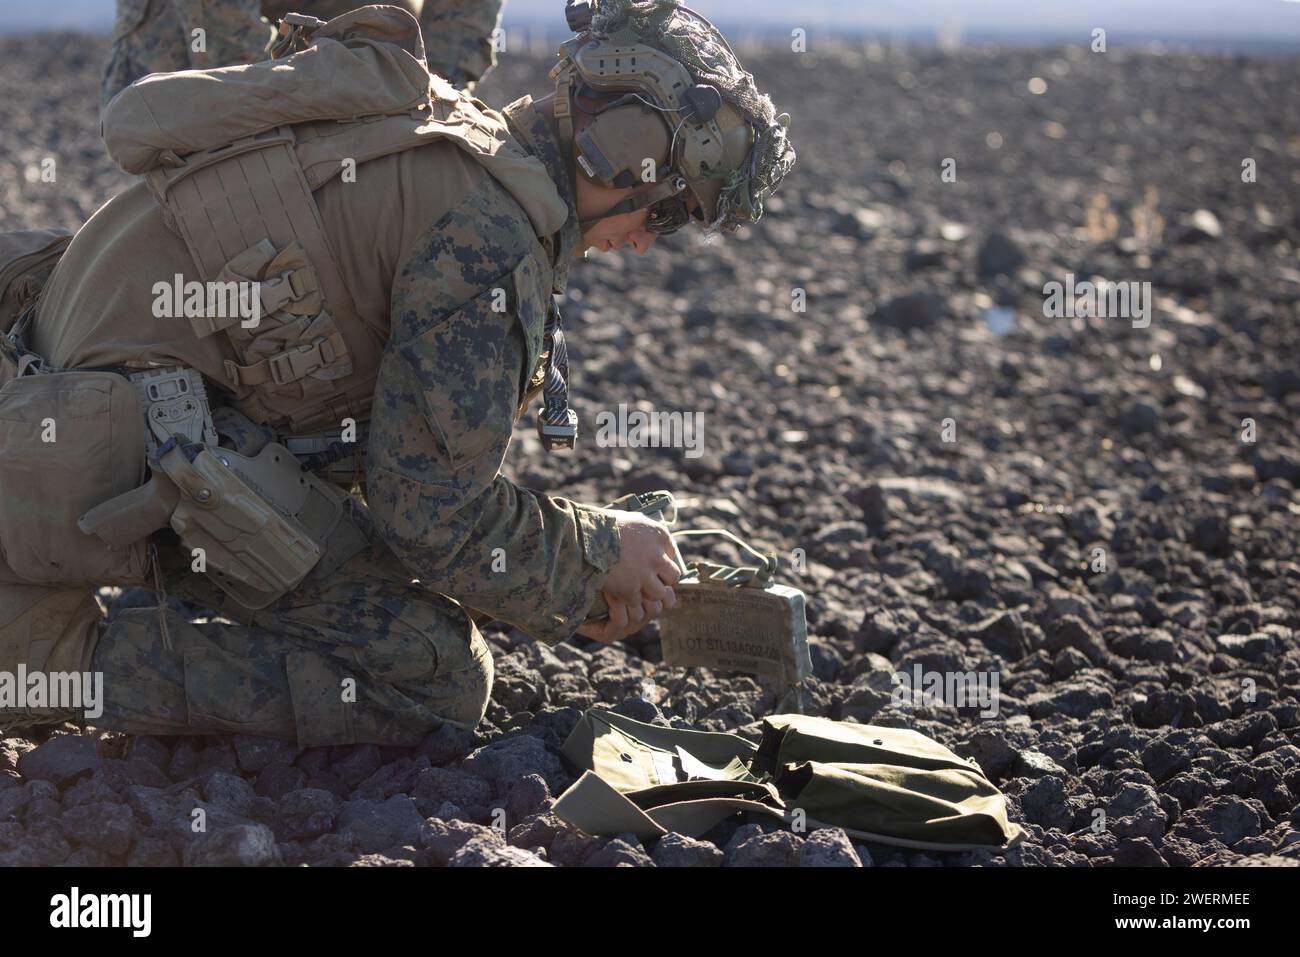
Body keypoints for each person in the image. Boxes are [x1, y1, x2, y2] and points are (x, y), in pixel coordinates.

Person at [0, 0, 794, 746]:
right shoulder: (490, 238)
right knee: (436, 671)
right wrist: (596, 553)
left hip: (54, 382)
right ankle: (51, 659)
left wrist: (571, 576)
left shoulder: (450, 125)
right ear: (625, 148)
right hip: (79, 453)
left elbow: (395, 464)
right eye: (666, 210)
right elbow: (430, 516)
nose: (648, 242)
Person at [100, 0, 504, 109]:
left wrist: (430, 90)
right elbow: (219, 26)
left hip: (368, 37)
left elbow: (464, 13)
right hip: (191, 42)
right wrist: (272, 101)